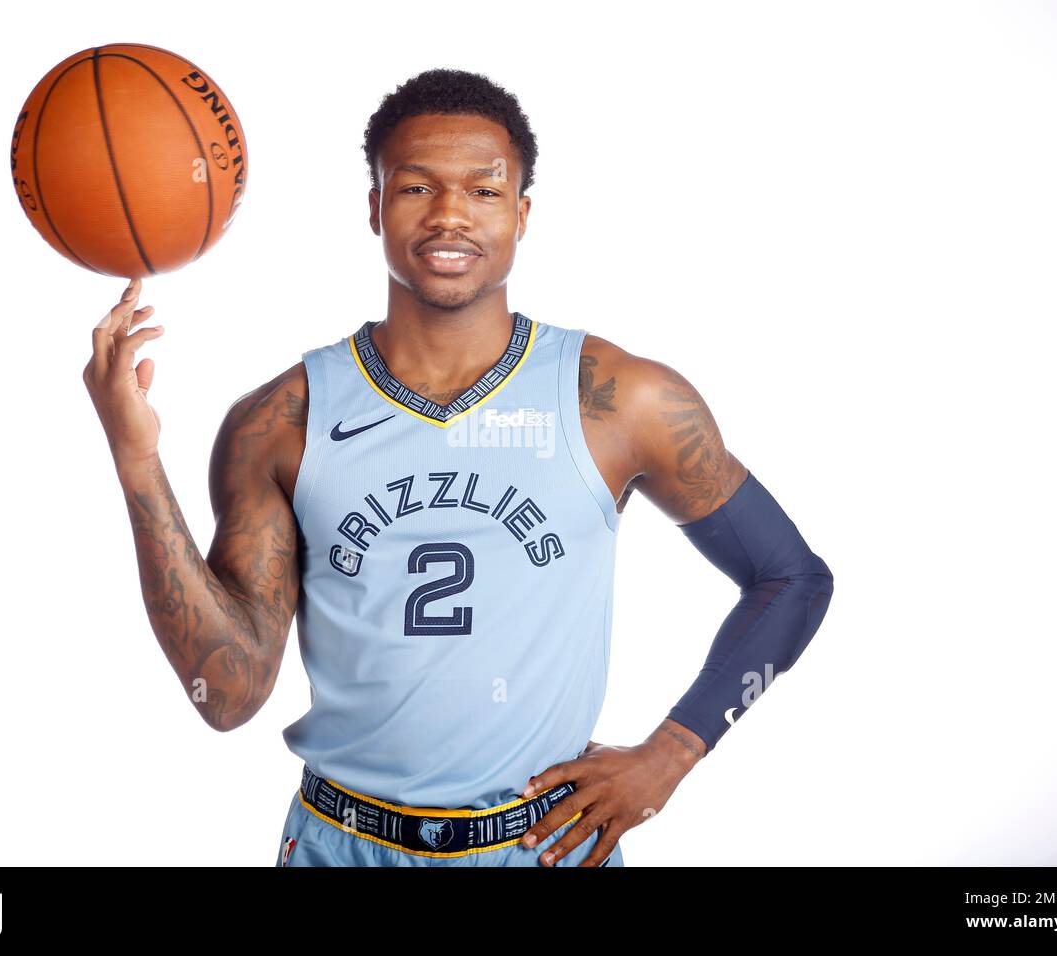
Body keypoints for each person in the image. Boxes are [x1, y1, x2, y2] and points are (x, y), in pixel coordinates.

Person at [83, 69, 834, 868]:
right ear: (374, 207)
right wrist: (137, 459)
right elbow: (228, 694)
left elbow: (792, 577)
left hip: (544, 844)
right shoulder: (280, 422)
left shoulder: (619, 401)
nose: (450, 215)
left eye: (483, 190)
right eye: (415, 188)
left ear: (521, 213)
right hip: (345, 844)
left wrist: (671, 755)